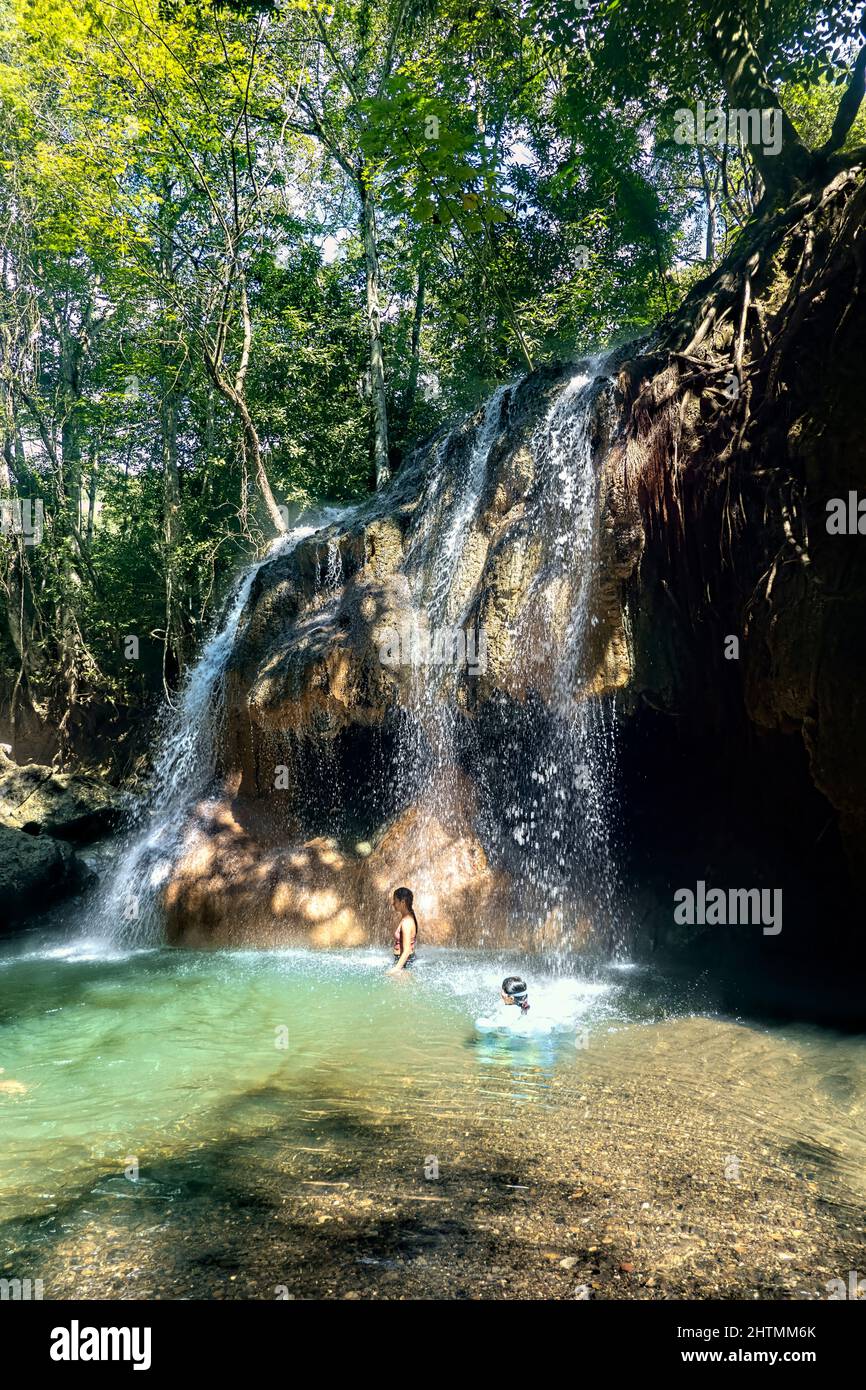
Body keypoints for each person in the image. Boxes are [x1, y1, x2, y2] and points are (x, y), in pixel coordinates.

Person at [387, 886, 418, 973]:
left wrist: (396, 969)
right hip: (405, 962)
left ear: (403, 902)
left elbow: (407, 950)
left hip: (404, 963)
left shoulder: (406, 922)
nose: (393, 904)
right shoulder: (408, 916)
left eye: (395, 901)